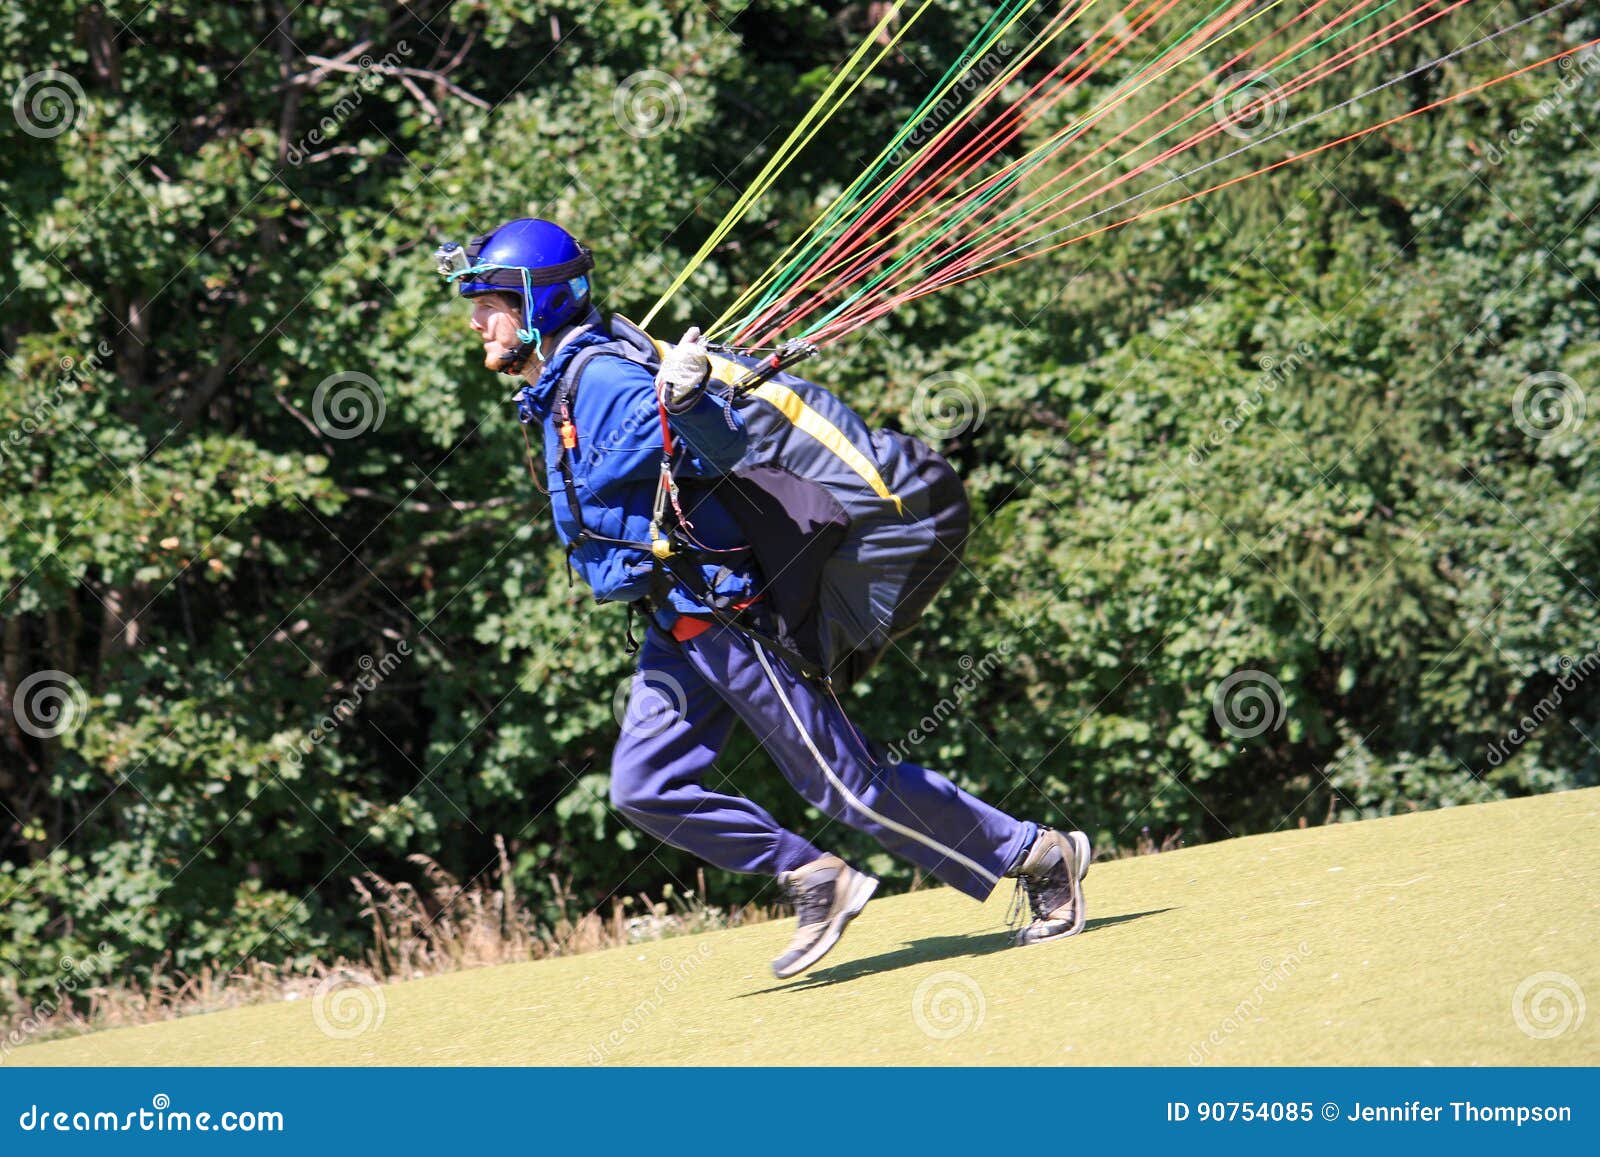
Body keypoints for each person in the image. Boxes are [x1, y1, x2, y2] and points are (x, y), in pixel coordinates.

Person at [435, 217, 1091, 978]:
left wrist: (689, 403)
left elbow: (718, 444)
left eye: (490, 304)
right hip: (675, 620)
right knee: (647, 786)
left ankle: (1038, 856)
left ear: (539, 304)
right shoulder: (559, 387)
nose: (477, 321)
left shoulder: (601, 380)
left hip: (727, 615)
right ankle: (814, 876)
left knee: (846, 785)